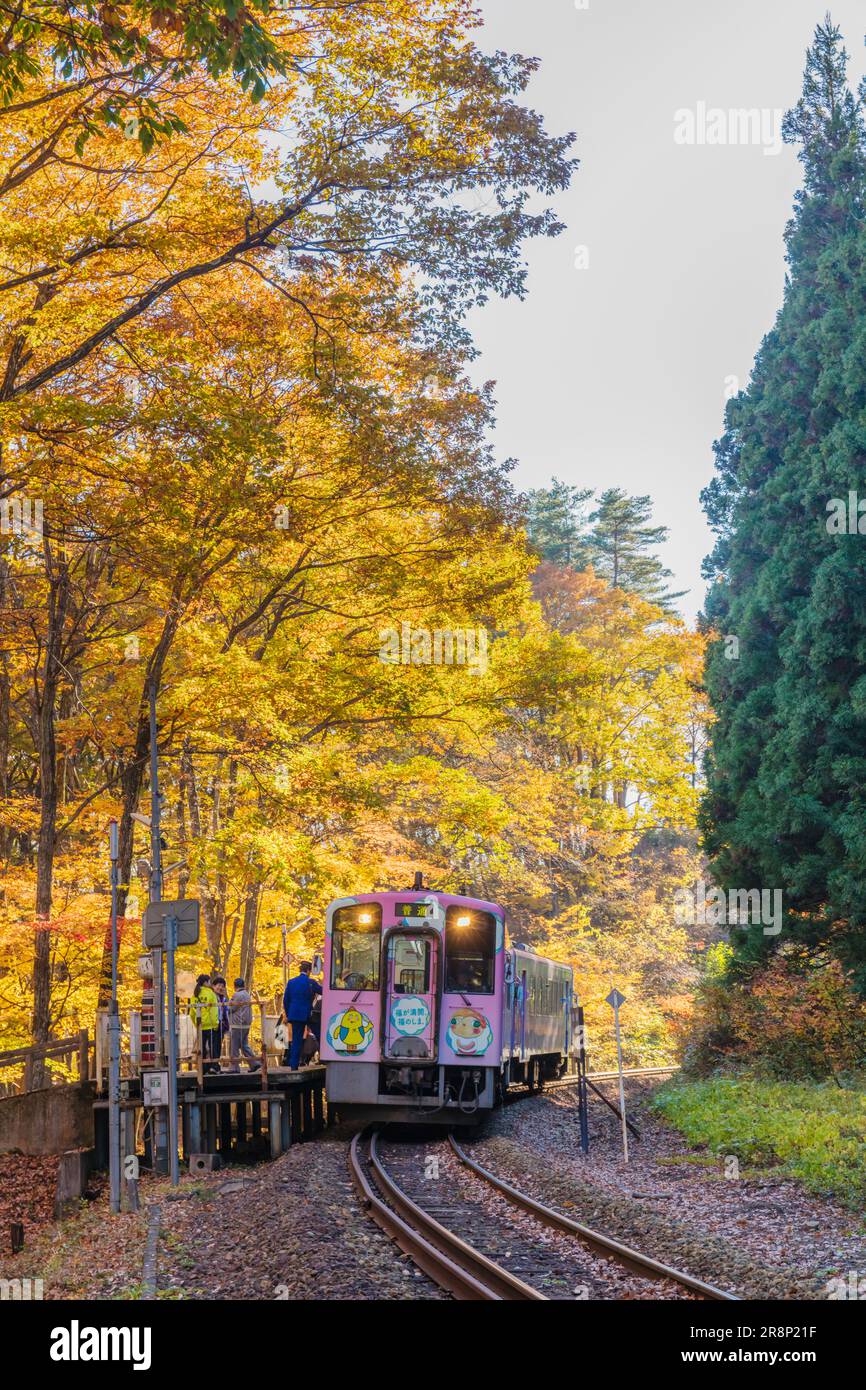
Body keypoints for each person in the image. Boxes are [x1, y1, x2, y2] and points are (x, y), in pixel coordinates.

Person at [282, 961, 322, 1071]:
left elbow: (286, 1000)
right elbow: (324, 991)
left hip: (295, 1015)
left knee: (296, 1039)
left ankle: (294, 1065)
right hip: (308, 1014)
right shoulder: (311, 982)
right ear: (308, 971)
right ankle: (324, 1055)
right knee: (319, 1033)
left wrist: (289, 1014)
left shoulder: (291, 982)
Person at [228, 977, 260, 1073]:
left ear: (235, 986)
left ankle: (234, 1067)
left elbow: (232, 1008)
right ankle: (254, 1063)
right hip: (246, 1024)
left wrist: (228, 1003)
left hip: (237, 1024)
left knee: (234, 1046)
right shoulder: (247, 994)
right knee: (244, 1045)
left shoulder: (237, 995)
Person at [191, 974, 221, 1072]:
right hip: (210, 1025)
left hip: (200, 1025)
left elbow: (192, 1012)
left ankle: (202, 1068)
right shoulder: (210, 993)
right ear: (205, 982)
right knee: (213, 1047)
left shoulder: (195, 995)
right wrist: (215, 1023)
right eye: (208, 981)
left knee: (202, 1048)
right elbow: (213, 1011)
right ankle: (214, 1066)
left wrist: (196, 1023)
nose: (210, 983)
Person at [212, 975, 230, 1059]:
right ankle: (211, 1066)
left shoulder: (223, 998)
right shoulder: (211, 997)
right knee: (212, 1046)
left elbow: (226, 1011)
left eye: (222, 986)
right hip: (213, 1024)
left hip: (221, 1024)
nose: (220, 988)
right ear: (213, 986)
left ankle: (215, 1065)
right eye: (218, 985)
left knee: (218, 1045)